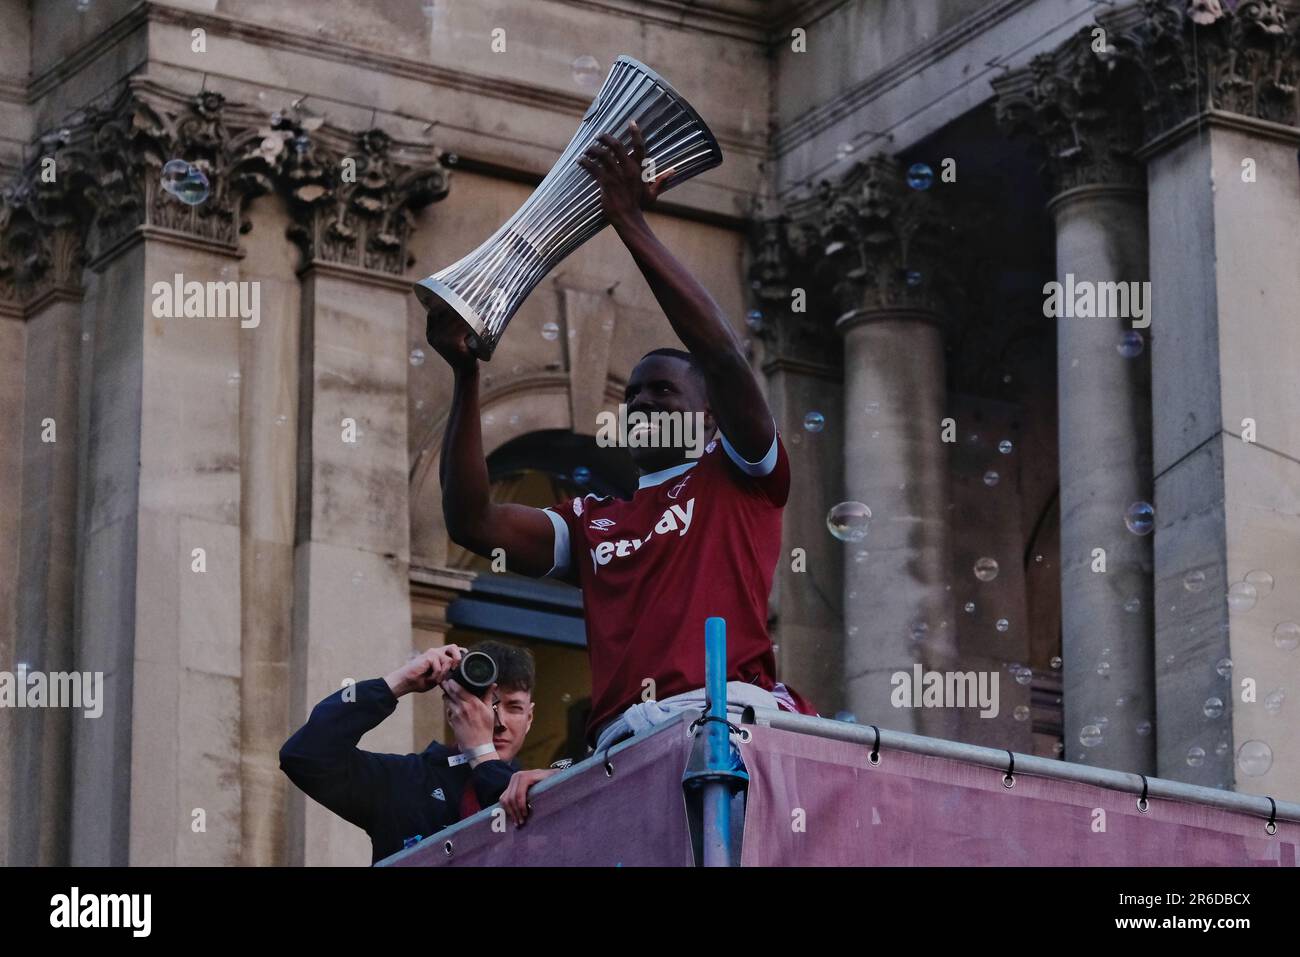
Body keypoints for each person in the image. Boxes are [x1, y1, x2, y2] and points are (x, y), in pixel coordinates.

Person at [428, 119, 816, 827]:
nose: (640, 401)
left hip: (721, 733)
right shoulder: (595, 517)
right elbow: (472, 521)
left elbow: (725, 359)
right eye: (633, 392)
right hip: (625, 752)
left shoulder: (739, 475)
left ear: (706, 417)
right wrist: (465, 374)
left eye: (662, 390)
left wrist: (630, 224)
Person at [279, 640, 535, 863]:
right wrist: (397, 682)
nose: (498, 722)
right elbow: (305, 755)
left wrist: (481, 753)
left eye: (514, 708)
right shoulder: (404, 781)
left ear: (530, 717)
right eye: (487, 703)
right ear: (451, 709)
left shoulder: (545, 788)